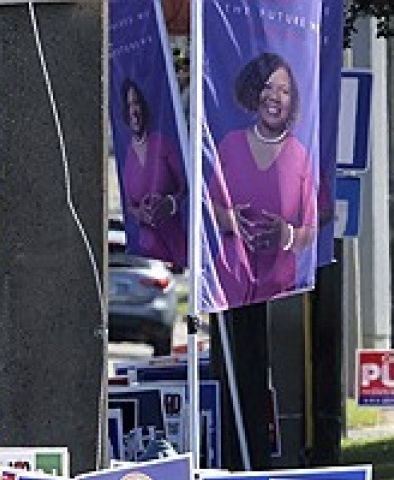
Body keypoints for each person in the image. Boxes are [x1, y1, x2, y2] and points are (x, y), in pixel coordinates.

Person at [211, 51, 316, 305]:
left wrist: (286, 235)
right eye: (268, 87)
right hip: (230, 286)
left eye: (284, 91)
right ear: (254, 92)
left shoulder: (301, 156)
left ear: (293, 101)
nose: (274, 96)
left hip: (280, 291)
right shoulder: (229, 146)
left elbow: (310, 230)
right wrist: (228, 219)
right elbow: (205, 206)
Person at [119, 78, 187, 266]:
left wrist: (171, 203)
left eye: (136, 103)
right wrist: (140, 213)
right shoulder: (127, 157)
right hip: (146, 254)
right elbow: (129, 205)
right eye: (129, 105)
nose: (134, 110)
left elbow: (187, 184)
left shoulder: (162, 143)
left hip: (177, 248)